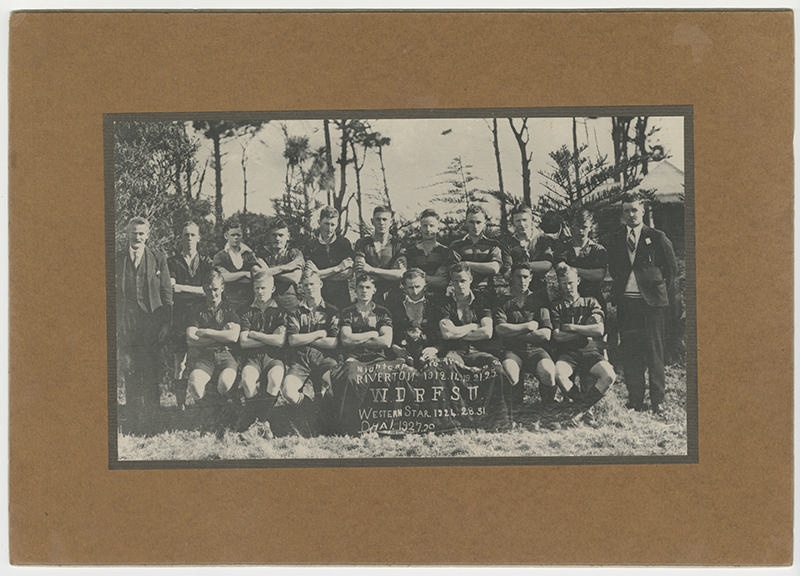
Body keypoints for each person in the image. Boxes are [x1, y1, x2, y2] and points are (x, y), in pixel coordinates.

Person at [606, 192, 678, 415]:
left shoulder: (656, 237)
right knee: (631, 352)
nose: (630, 214)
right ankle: (635, 399)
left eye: (634, 210)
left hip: (652, 306)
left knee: (654, 352)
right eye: (626, 210)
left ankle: (658, 401)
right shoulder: (616, 238)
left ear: (643, 211)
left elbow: (671, 270)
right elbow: (615, 268)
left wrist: (654, 289)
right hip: (628, 304)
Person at [116, 216, 172, 434]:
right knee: (130, 370)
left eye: (141, 233)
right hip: (127, 324)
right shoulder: (118, 258)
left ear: (148, 235)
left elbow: (167, 293)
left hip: (151, 323)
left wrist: (166, 323)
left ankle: (152, 423)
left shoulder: (158, 257)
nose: (137, 237)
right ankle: (131, 422)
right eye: (133, 233)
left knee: (150, 372)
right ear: (127, 234)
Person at [551, 265, 616, 425]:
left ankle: (580, 409)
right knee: (558, 374)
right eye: (564, 284)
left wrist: (573, 328)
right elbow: (558, 336)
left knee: (609, 375)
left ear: (578, 281)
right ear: (559, 284)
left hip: (590, 351)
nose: (568, 287)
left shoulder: (590, 302)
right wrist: (586, 331)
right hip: (568, 354)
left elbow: (599, 329)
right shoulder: (556, 306)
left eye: (571, 283)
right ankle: (583, 406)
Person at [184, 268, 241, 429]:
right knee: (195, 384)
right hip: (205, 357)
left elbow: (233, 337)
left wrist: (207, 332)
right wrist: (220, 334)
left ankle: (225, 414)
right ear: (203, 289)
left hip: (226, 355)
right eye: (208, 290)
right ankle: (210, 416)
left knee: (225, 383)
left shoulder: (230, 309)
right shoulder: (196, 309)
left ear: (222, 288)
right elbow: (191, 339)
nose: (212, 293)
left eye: (215, 289)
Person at [493, 263, 556, 407]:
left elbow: (546, 334)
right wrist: (527, 327)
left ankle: (548, 408)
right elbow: (500, 329)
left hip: (536, 350)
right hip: (512, 350)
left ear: (531, 278)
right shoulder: (502, 301)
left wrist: (514, 332)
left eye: (525, 277)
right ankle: (516, 407)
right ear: (511, 278)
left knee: (548, 373)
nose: (522, 280)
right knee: (510, 373)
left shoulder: (539, 301)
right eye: (518, 277)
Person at [167, 221, 213, 410]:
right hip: (179, 317)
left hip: (200, 317)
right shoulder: (172, 262)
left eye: (193, 235)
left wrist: (182, 288)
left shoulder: (206, 262)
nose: (189, 239)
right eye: (186, 235)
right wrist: (196, 290)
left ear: (199, 238)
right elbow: (170, 288)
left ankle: (203, 402)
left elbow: (208, 290)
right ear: (180, 238)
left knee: (202, 358)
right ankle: (180, 405)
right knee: (180, 362)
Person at [236, 272, 287, 435]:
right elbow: (244, 342)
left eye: (263, 288)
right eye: (256, 288)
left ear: (272, 289)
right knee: (247, 380)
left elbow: (280, 341)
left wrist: (256, 334)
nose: (260, 292)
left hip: (274, 358)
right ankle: (258, 421)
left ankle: (261, 422)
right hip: (253, 358)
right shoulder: (246, 311)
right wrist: (269, 337)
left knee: (275, 379)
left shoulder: (281, 311)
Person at [283, 268, 340, 406]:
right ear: (301, 287)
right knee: (288, 391)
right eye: (306, 285)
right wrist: (318, 334)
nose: (309, 288)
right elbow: (292, 340)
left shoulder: (332, 311)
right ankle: (308, 408)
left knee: (337, 385)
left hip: (325, 359)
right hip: (300, 360)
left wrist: (305, 339)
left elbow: (332, 342)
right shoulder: (295, 312)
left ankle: (328, 413)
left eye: (312, 284)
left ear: (320, 284)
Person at [303, 206, 354, 311]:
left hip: (341, 298)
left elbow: (348, 274)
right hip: (319, 300)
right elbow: (309, 275)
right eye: (326, 224)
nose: (329, 228)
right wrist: (338, 268)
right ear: (319, 222)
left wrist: (318, 274)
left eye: (333, 224)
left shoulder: (344, 243)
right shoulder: (310, 245)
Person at [448, 205, 505, 299]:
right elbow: (454, 270)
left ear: (485, 223)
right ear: (466, 222)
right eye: (471, 222)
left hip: (487, 293)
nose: (475, 226)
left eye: (478, 222)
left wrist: (466, 264)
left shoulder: (493, 244)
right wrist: (484, 267)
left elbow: (494, 268)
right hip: (463, 294)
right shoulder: (456, 245)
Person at [354, 205, 407, 305]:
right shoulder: (362, 243)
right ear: (372, 221)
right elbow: (360, 273)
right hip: (369, 298)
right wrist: (390, 274)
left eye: (385, 219)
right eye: (378, 219)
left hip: (394, 297)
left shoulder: (398, 244)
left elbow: (401, 274)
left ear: (391, 222)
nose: (381, 223)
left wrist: (371, 270)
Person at [387, 268, 440, 367]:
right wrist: (395, 348)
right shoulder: (395, 305)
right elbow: (391, 331)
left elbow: (441, 335)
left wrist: (435, 349)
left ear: (425, 286)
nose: (415, 292)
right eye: (411, 287)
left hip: (429, 352)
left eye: (418, 287)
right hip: (402, 352)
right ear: (404, 288)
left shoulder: (435, 304)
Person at [555, 209, 608, 306]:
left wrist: (573, 270)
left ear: (590, 228)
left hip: (593, 301)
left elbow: (599, 275)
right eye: (577, 226)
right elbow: (560, 267)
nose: (580, 231)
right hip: (567, 302)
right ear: (571, 227)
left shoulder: (598, 250)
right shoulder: (562, 248)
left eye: (584, 227)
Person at [504, 204, 557, 298]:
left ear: (531, 219)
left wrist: (524, 266)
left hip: (539, 288)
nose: (521, 224)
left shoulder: (542, 238)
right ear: (513, 222)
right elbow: (507, 271)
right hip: (517, 290)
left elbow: (547, 264)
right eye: (518, 221)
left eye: (524, 220)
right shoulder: (508, 242)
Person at [253, 217, 305, 312]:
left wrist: (268, 272)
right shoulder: (262, 253)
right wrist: (285, 267)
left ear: (288, 236)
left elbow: (295, 277)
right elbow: (257, 273)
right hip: (266, 302)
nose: (277, 238)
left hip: (289, 302)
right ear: (269, 236)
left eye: (281, 235)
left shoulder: (294, 253)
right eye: (274, 235)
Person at [403, 208, 459, 293]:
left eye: (431, 226)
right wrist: (434, 279)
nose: (428, 229)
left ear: (438, 228)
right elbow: (407, 279)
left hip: (440, 298)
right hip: (416, 296)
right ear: (420, 228)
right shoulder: (410, 252)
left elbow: (444, 281)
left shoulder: (446, 252)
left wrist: (419, 276)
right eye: (425, 226)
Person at [212, 219, 259, 312]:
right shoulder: (220, 256)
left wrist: (233, 277)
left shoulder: (248, 254)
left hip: (248, 302)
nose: (236, 237)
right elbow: (222, 278)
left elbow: (255, 274)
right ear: (226, 236)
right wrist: (244, 274)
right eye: (233, 235)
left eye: (238, 235)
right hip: (228, 302)